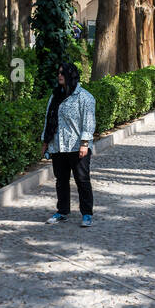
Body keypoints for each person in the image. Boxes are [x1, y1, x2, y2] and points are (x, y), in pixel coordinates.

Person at [40, 62, 97, 226]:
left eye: (63, 73)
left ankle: (87, 213)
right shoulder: (55, 95)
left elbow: (88, 123)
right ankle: (62, 211)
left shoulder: (84, 97)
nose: (59, 76)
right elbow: (48, 119)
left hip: (77, 146)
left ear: (71, 75)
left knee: (82, 179)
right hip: (58, 145)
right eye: (58, 73)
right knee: (61, 180)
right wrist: (45, 141)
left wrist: (85, 143)